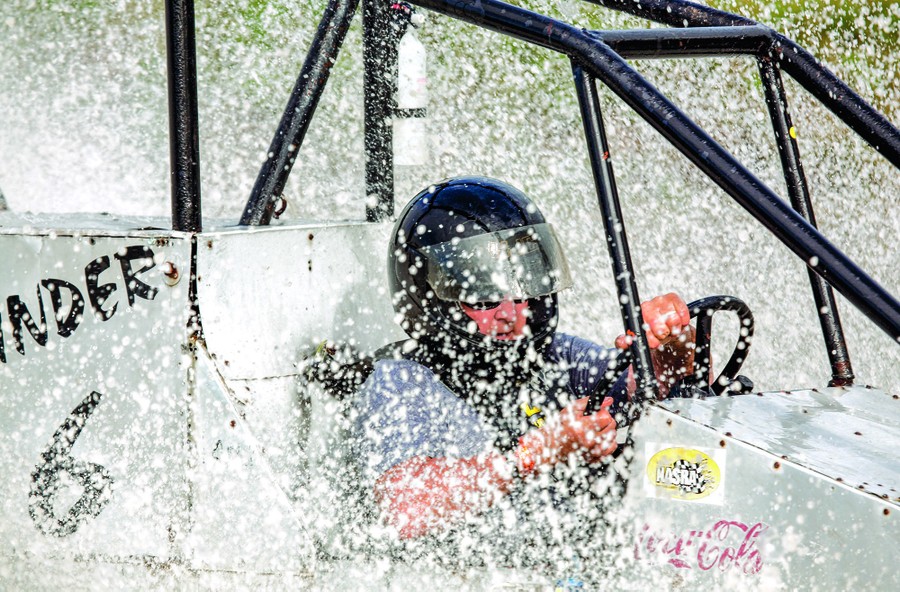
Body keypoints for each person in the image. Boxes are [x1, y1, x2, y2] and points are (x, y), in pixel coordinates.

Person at [350, 176, 695, 549]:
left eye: (522, 293)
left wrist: (669, 343)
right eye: (484, 300)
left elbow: (650, 388)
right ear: (432, 301)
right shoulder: (400, 382)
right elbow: (405, 509)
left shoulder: (553, 355)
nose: (510, 315)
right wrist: (537, 453)